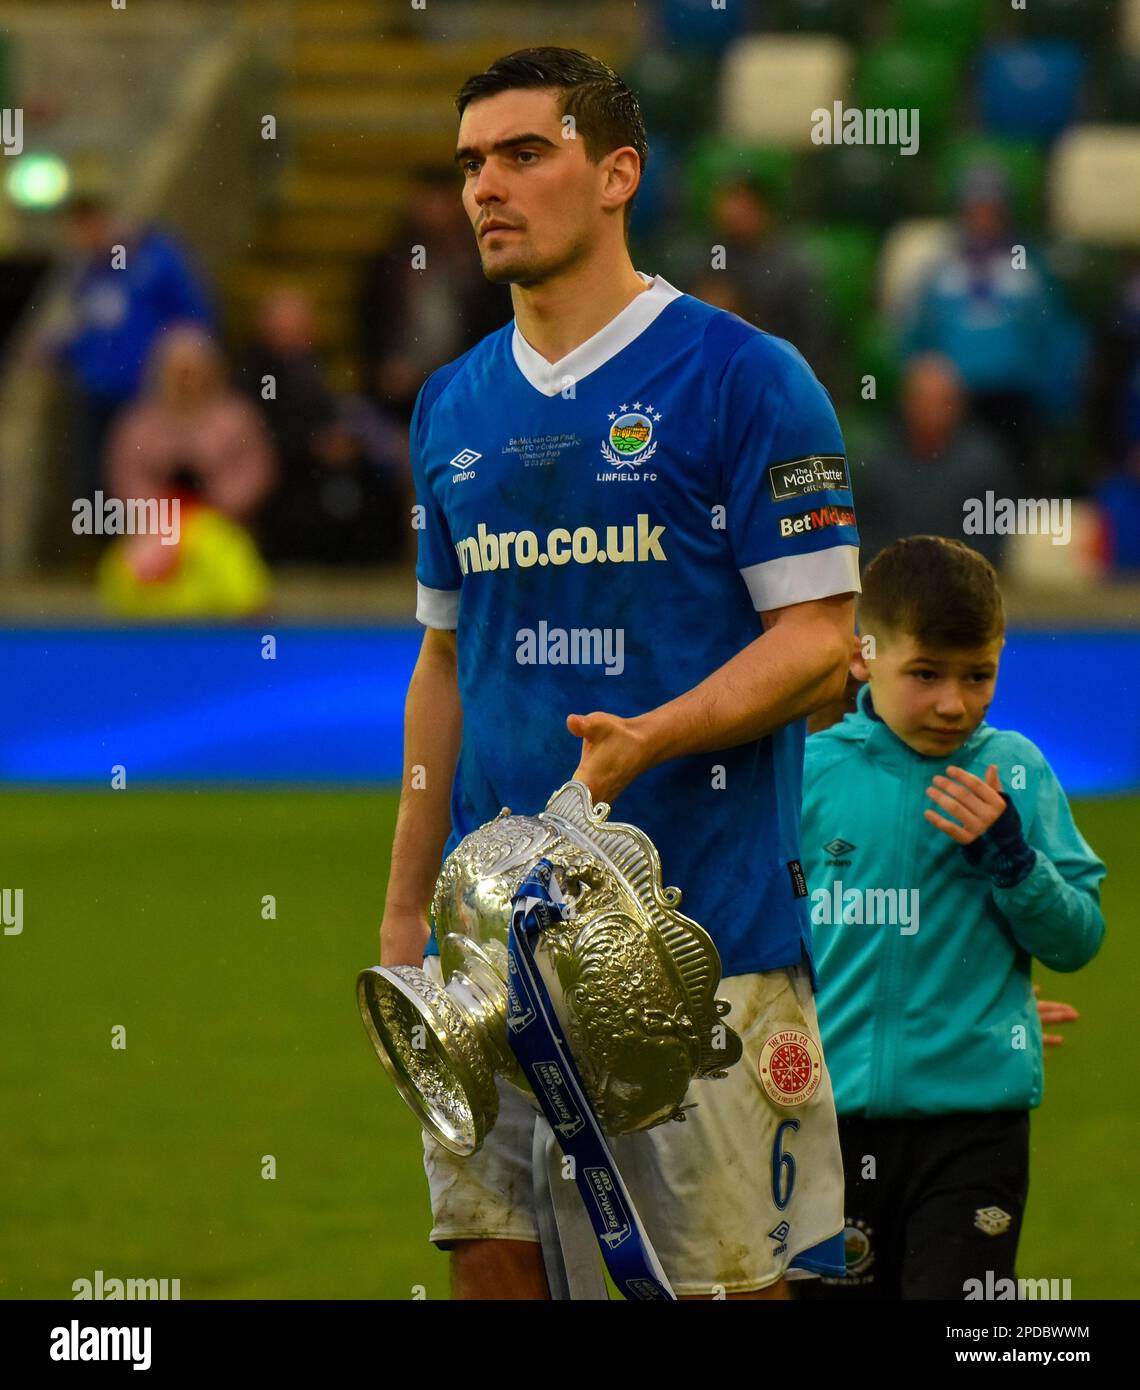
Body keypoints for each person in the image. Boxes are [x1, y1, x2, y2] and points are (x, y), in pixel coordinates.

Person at [379, 46, 861, 1301]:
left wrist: (652, 736)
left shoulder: (747, 378)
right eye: (470, 163)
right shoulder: (449, 406)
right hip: (488, 954)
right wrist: (405, 907)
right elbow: (445, 661)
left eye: (523, 153)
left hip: (700, 948)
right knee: (489, 1267)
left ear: (617, 173)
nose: (486, 186)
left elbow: (820, 640)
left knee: (720, 1288)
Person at [796, 536, 1106, 1300]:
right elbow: (768, 937)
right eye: (926, 674)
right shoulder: (810, 773)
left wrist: (1016, 864)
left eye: (978, 675)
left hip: (974, 1127)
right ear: (864, 656)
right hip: (827, 1123)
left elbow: (1078, 939)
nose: (954, 704)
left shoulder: (1017, 771)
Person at [49, 195, 215, 495]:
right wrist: (58, 350)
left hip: (145, 391)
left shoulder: (154, 259)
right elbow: (93, 331)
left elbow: (194, 317)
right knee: (94, 480)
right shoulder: (88, 275)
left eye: (87, 229)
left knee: (148, 474)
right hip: (97, 392)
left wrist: (183, 369)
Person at [854, 353, 1020, 570]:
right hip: (892, 582)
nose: (929, 409)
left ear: (959, 404)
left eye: (940, 400)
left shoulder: (985, 465)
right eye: (921, 398)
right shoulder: (877, 464)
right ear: (905, 402)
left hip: (964, 581)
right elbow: (864, 538)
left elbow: (995, 543)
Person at [106, 325, 277, 532]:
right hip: (156, 529)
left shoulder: (238, 417)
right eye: (178, 373)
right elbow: (125, 475)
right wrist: (159, 508)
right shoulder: (137, 422)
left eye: (192, 373)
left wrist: (217, 505)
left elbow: (256, 469)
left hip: (227, 527)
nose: (185, 382)